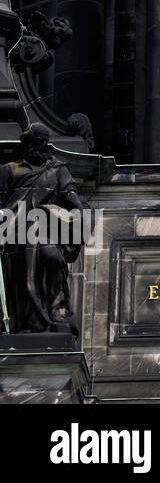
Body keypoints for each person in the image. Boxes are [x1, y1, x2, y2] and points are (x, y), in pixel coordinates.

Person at [0, 123, 87, 334]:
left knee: (53, 259)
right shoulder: (9, 170)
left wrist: (78, 220)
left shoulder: (57, 170)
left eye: (42, 143)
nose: (39, 147)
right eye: (35, 143)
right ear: (27, 145)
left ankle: (58, 309)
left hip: (45, 230)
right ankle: (25, 324)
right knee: (21, 279)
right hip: (14, 235)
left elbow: (72, 199)